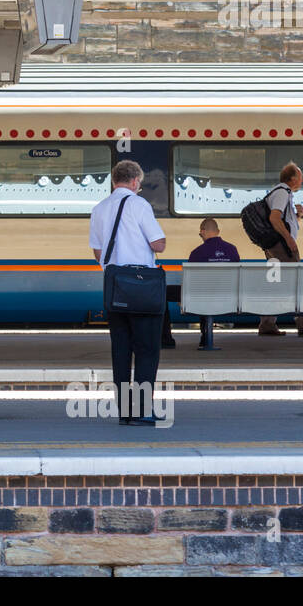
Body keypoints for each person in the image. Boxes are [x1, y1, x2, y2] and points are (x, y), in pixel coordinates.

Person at [89, 160, 167, 425]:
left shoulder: (99, 209)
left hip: (114, 287)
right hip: (142, 286)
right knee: (146, 350)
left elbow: (98, 252)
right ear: (135, 181)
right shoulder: (139, 204)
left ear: (114, 181)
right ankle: (144, 409)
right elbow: (158, 243)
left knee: (120, 350)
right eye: (140, 184)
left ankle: (125, 412)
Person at [258, 163, 303, 337]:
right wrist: (289, 239)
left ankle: (267, 324)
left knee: (276, 284)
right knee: (297, 282)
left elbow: (285, 222)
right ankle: (302, 324)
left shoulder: (281, 193)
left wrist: (298, 216)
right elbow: (274, 218)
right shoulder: (282, 192)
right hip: (283, 248)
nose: (302, 180)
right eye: (300, 177)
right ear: (293, 178)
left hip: (276, 247)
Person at [164, 219, 240, 349]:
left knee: (163, 292)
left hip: (202, 295)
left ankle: (165, 340)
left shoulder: (197, 252)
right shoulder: (232, 249)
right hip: (228, 296)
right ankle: (204, 339)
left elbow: (191, 282)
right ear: (218, 232)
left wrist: (184, 297)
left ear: (202, 232)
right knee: (204, 292)